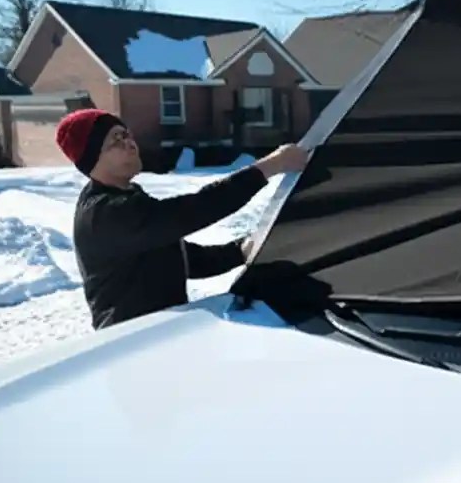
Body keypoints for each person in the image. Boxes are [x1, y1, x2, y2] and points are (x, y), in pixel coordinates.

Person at [53, 108, 309, 330]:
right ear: (93, 159)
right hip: (131, 344)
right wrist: (270, 166)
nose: (129, 143)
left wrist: (239, 251)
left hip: (161, 336)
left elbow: (178, 256)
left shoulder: (125, 198)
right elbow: (193, 211)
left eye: (126, 134)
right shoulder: (105, 213)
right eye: (116, 140)